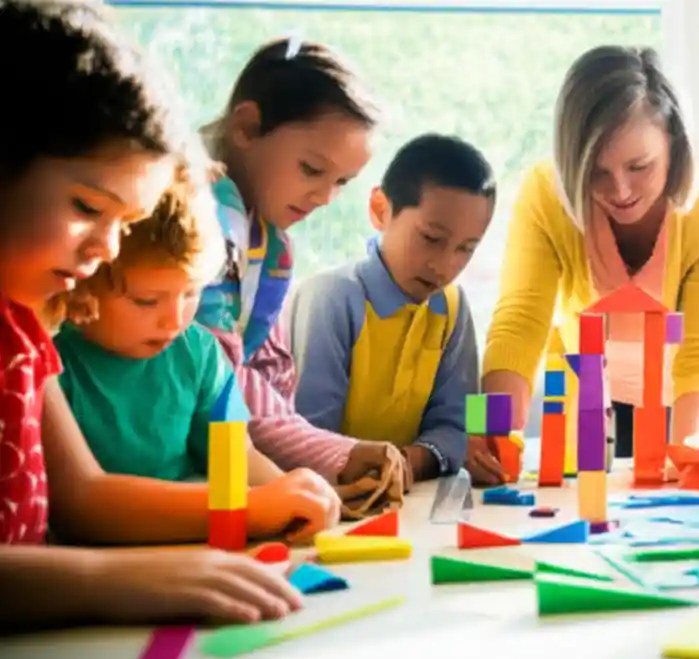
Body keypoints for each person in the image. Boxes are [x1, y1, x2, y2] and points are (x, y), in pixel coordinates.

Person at [0, 0, 302, 629]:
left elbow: (81, 493)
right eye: (88, 207)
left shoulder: (24, 333)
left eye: (126, 223)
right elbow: (83, 510)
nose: (108, 250)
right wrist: (112, 580)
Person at [476, 45, 699, 484]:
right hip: (585, 396)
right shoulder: (544, 192)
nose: (620, 191)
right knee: (578, 499)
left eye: (639, 166)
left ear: (675, 143)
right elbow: (518, 324)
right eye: (597, 173)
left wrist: (689, 453)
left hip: (689, 399)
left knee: (683, 491)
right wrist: (490, 431)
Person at [55, 166, 343, 541]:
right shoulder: (55, 359)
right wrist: (259, 506)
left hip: (193, 542)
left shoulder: (200, 351)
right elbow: (76, 505)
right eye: (146, 301)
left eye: (191, 293)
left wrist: (295, 499)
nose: (175, 321)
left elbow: (238, 456)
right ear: (81, 284)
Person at [198, 38, 414, 498]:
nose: (325, 197)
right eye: (312, 169)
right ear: (247, 127)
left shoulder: (268, 243)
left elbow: (270, 372)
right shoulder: (200, 221)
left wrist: (317, 464)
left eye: (342, 182)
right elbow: (217, 378)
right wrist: (331, 456)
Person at [290, 134, 496, 485]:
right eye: (431, 238)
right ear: (380, 209)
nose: (444, 266)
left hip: (405, 493)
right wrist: (399, 463)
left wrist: (406, 463)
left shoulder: (451, 305)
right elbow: (309, 438)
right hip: (330, 494)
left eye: (466, 249)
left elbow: (456, 428)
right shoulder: (332, 299)